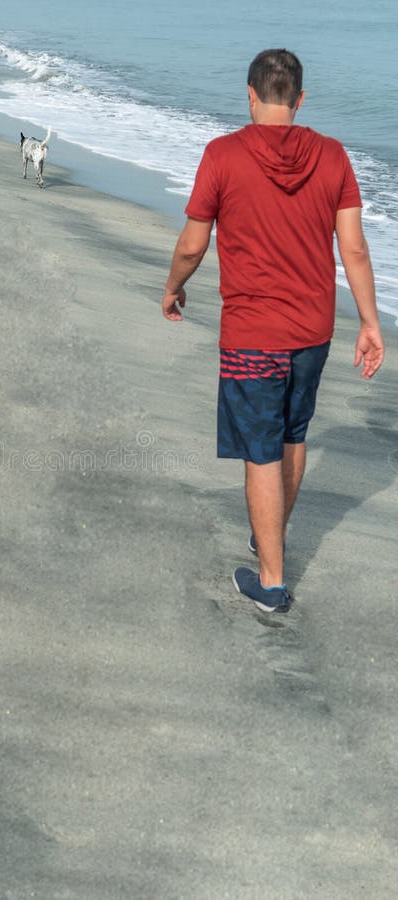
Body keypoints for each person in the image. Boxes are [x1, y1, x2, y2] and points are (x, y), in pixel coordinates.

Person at [161, 48, 384, 613]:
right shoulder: (333, 156)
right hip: (313, 330)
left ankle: (271, 582)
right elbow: (353, 247)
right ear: (301, 99)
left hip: (252, 332)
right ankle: (270, 538)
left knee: (262, 451)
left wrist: (173, 285)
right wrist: (370, 322)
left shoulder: (223, 154)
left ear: (251, 95)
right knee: (292, 436)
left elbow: (193, 242)